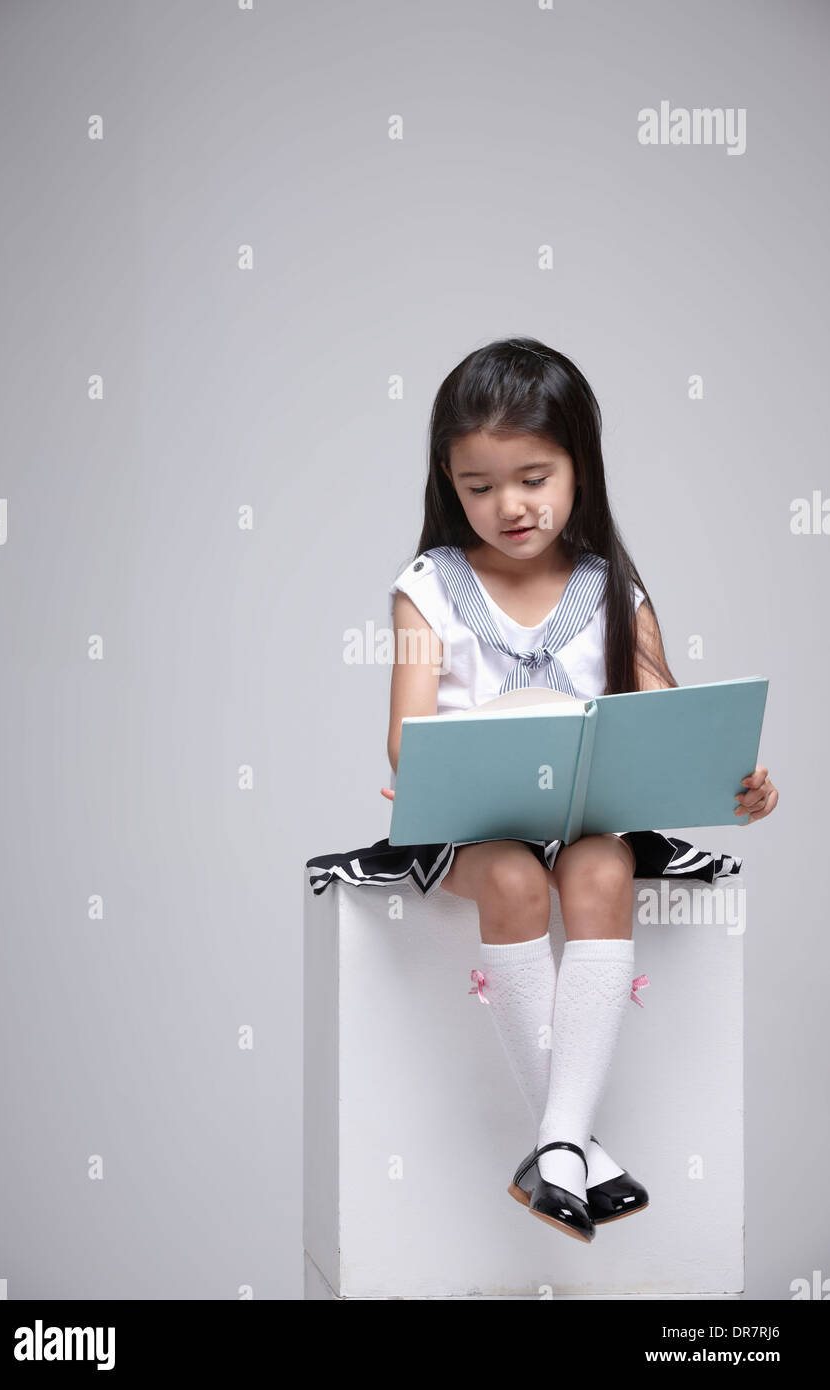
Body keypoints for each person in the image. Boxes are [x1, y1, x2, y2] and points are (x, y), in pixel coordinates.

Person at [305, 336, 778, 1244]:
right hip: (473, 827)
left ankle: (556, 1145)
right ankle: (575, 1146)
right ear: (449, 484)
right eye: (478, 488)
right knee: (518, 879)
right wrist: (455, 756)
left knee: (599, 869)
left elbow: (671, 718)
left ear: (579, 470)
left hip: (588, 820)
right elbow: (404, 735)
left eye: (532, 477)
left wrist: (737, 782)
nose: (509, 507)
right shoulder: (427, 591)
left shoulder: (613, 590)